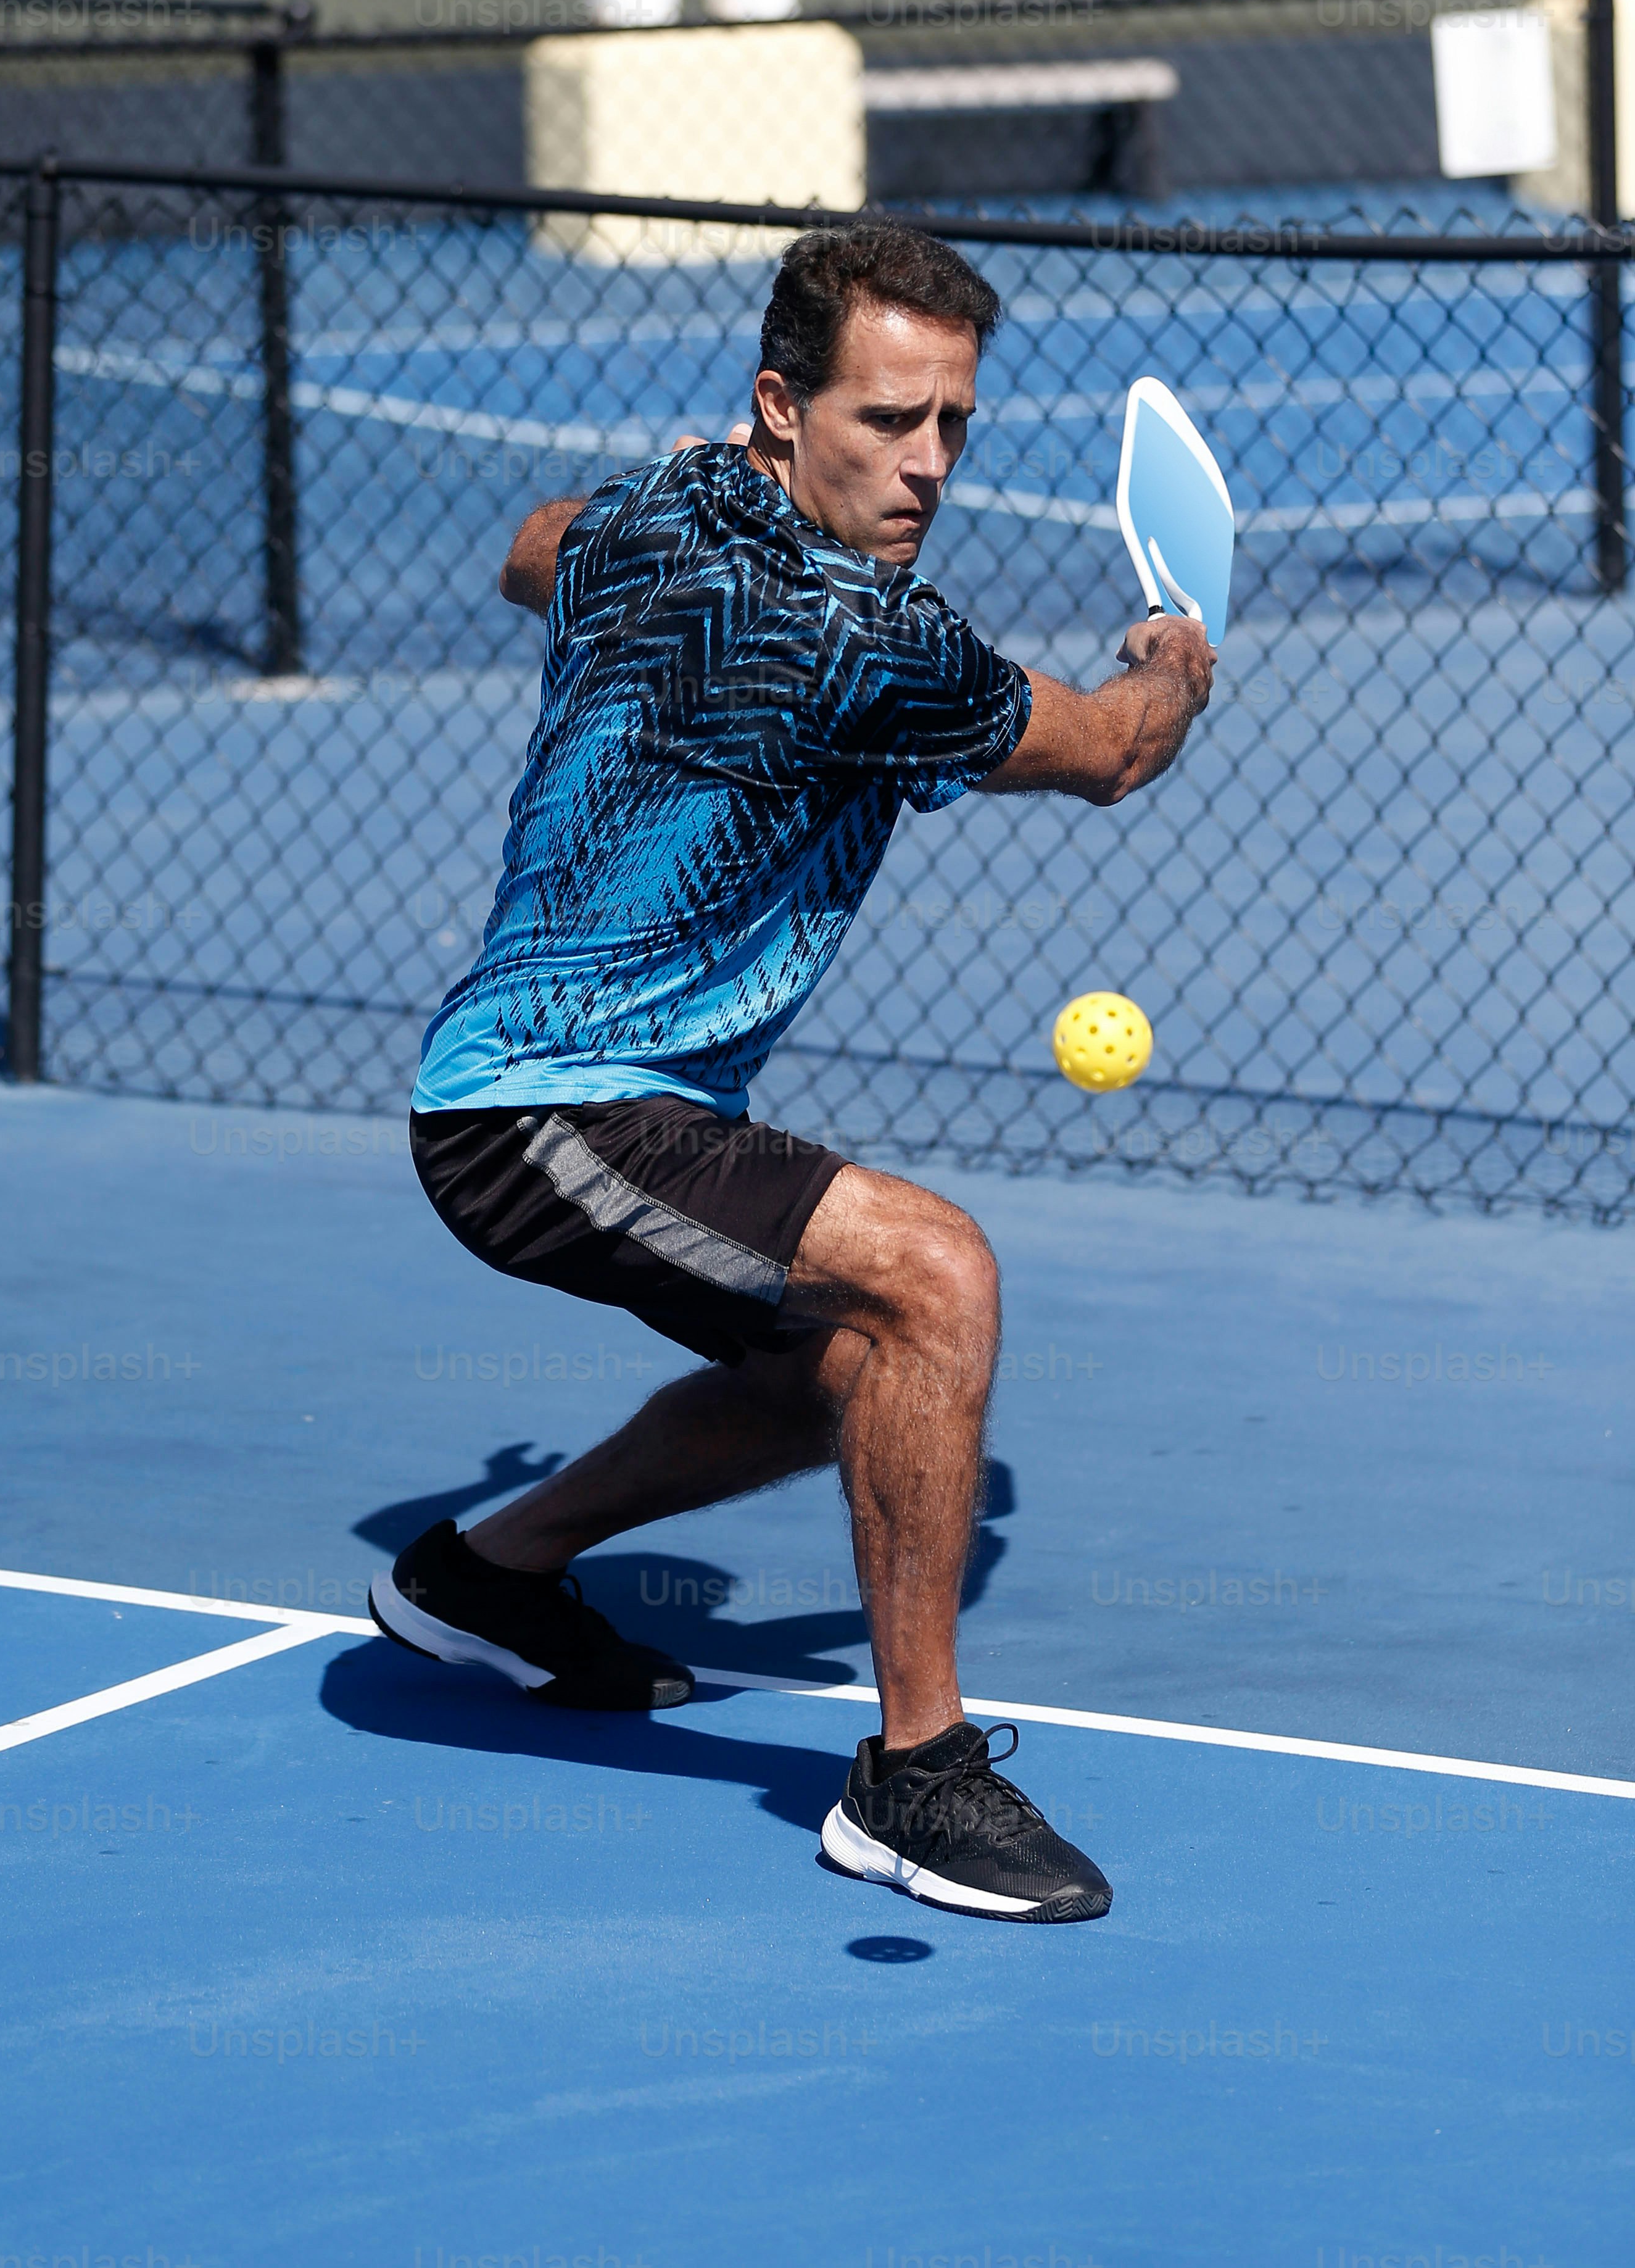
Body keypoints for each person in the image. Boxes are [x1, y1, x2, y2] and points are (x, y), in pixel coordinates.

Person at [370, 222, 1215, 1922]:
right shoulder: (865, 638)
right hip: (544, 1109)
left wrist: (662, 520)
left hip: (605, 1107)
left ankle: (489, 1573)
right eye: (886, 421)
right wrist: (1174, 663)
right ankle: (914, 1781)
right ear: (784, 404)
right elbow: (1113, 758)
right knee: (935, 1276)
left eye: (951, 426)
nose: (924, 464)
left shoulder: (657, 513)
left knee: (835, 1372)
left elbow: (533, 551)